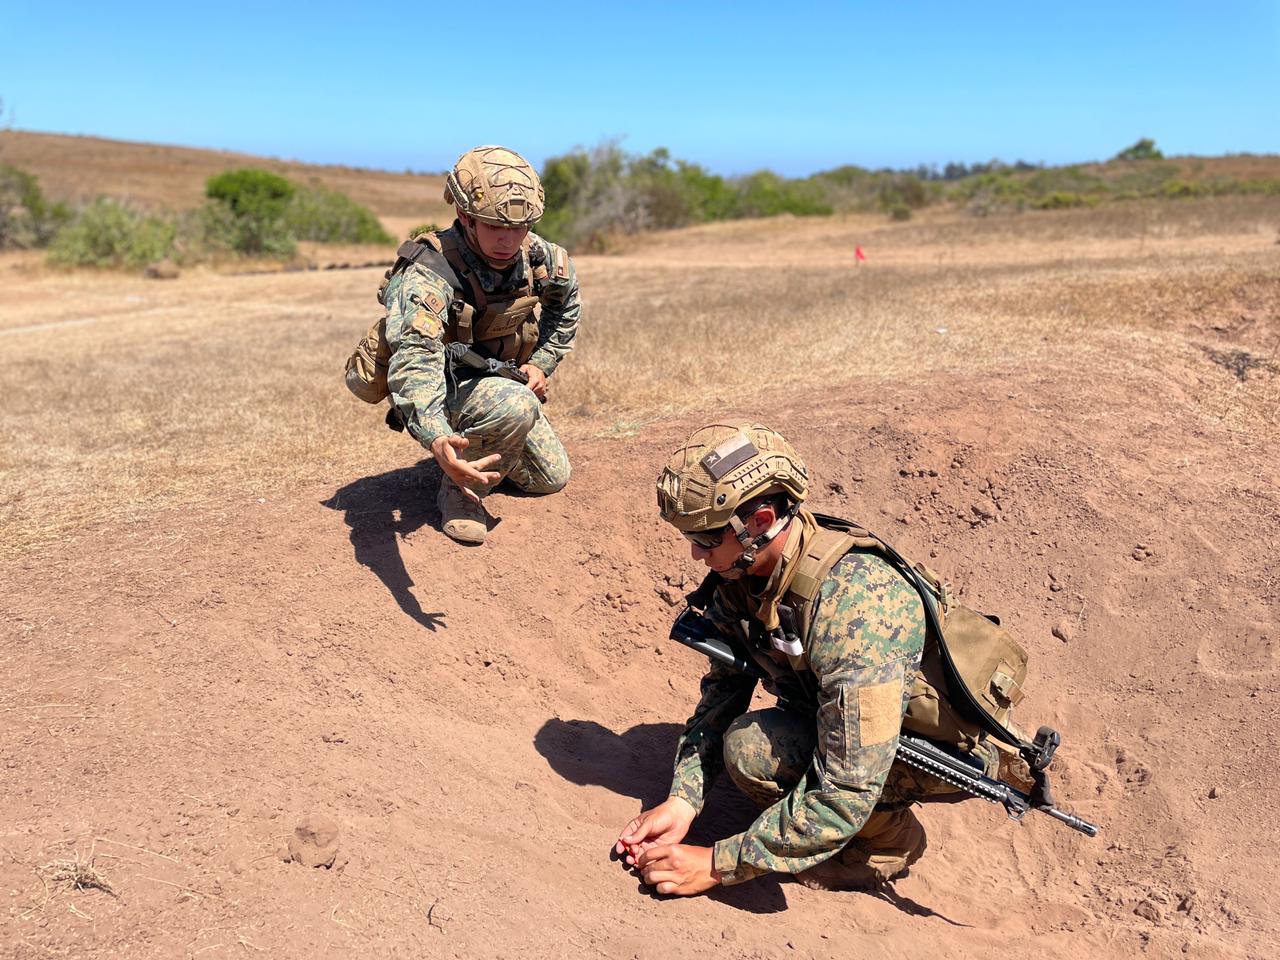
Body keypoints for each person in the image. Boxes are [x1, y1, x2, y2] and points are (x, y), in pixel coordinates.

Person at [614, 422, 1030, 895]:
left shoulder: (856, 609)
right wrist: (683, 799)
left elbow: (848, 790)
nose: (694, 554)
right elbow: (724, 690)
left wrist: (716, 864)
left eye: (707, 540)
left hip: (931, 751)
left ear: (760, 521)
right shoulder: (745, 576)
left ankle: (886, 845)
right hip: (836, 715)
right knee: (748, 746)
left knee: (756, 756)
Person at [379, 145, 580, 544]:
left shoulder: (538, 256)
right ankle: (461, 491)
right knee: (515, 404)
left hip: (499, 383)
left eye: (519, 227)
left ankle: (490, 443)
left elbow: (566, 304)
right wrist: (437, 437)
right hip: (443, 387)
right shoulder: (429, 271)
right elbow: (414, 365)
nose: (509, 239)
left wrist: (541, 363)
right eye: (495, 227)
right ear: (465, 217)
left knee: (551, 478)